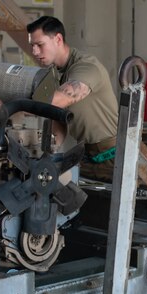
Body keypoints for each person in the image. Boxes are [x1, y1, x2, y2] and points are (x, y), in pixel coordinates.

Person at [25, 16, 120, 180]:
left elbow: (60, 100)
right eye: (32, 46)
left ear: (58, 39)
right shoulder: (56, 73)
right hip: (87, 154)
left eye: (40, 45)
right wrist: (48, 153)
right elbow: (58, 117)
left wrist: (15, 103)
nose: (34, 52)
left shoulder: (86, 67)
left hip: (113, 156)